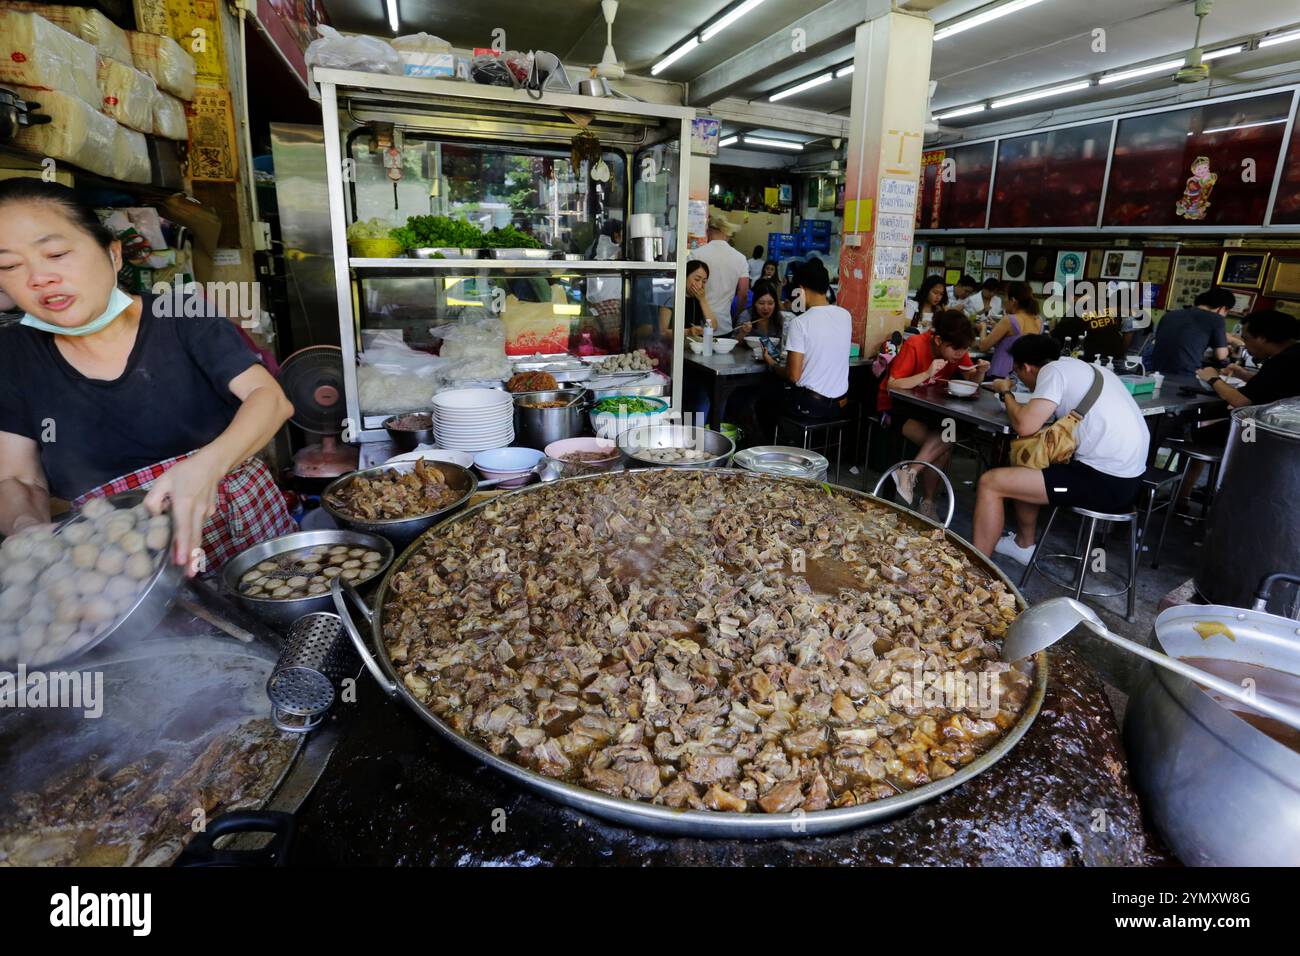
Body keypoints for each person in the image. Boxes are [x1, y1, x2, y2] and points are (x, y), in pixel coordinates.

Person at [0, 178, 296, 573]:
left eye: (55, 253)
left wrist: (207, 467)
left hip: (246, 535)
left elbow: (270, 399)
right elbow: (18, 477)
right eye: (8, 265)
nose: (39, 278)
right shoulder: (13, 354)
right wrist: (28, 533)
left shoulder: (182, 315)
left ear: (113, 254)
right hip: (115, 562)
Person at [973, 334, 1149, 562]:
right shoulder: (1090, 369)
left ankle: (975, 567)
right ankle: (1023, 545)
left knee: (991, 483)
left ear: (1026, 367)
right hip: (1130, 478)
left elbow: (1025, 425)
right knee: (1028, 463)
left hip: (1105, 484)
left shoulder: (1052, 371)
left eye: (1017, 373)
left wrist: (1006, 392)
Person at [879, 309, 989, 517]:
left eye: (965, 349)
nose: (960, 354)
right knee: (944, 446)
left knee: (950, 433)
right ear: (938, 340)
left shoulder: (957, 349)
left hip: (930, 407)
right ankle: (926, 500)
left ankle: (911, 475)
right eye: (956, 349)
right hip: (896, 407)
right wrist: (927, 373)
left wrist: (980, 373)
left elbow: (971, 381)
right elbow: (893, 385)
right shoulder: (915, 345)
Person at [763, 260, 850, 421]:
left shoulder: (801, 322)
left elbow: (793, 376)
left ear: (801, 290)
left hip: (812, 406)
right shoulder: (845, 315)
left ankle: (778, 444)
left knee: (765, 400)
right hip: (840, 405)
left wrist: (772, 364)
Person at [1196, 309, 1300, 407]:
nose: (1245, 345)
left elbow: (1241, 401)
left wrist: (1212, 378)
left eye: (1246, 339)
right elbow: (1272, 387)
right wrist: (1245, 375)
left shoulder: (1284, 361)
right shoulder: (1293, 354)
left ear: (1262, 338)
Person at [1149, 287, 1233, 376]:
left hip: (1156, 371)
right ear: (1222, 308)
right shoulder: (1216, 319)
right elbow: (1221, 355)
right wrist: (1232, 341)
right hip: (1186, 374)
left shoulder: (1170, 315)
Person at [692, 212, 749, 336]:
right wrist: (735, 316)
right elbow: (743, 293)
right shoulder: (740, 258)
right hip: (725, 325)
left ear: (708, 232)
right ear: (727, 234)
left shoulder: (696, 254)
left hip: (697, 326)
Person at [978, 281, 1042, 379]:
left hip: (1002, 372)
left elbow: (983, 346)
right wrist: (997, 328)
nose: (1004, 300)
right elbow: (1017, 340)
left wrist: (983, 328)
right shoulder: (1038, 320)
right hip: (1024, 375)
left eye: (1005, 297)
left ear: (1013, 300)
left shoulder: (1009, 320)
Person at [661, 259, 716, 338]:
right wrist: (688, 331)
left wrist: (703, 300)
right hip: (672, 348)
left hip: (692, 347)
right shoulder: (670, 297)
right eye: (697, 279)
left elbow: (713, 326)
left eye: (704, 282)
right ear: (684, 277)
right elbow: (662, 332)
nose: (700, 285)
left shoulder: (698, 298)